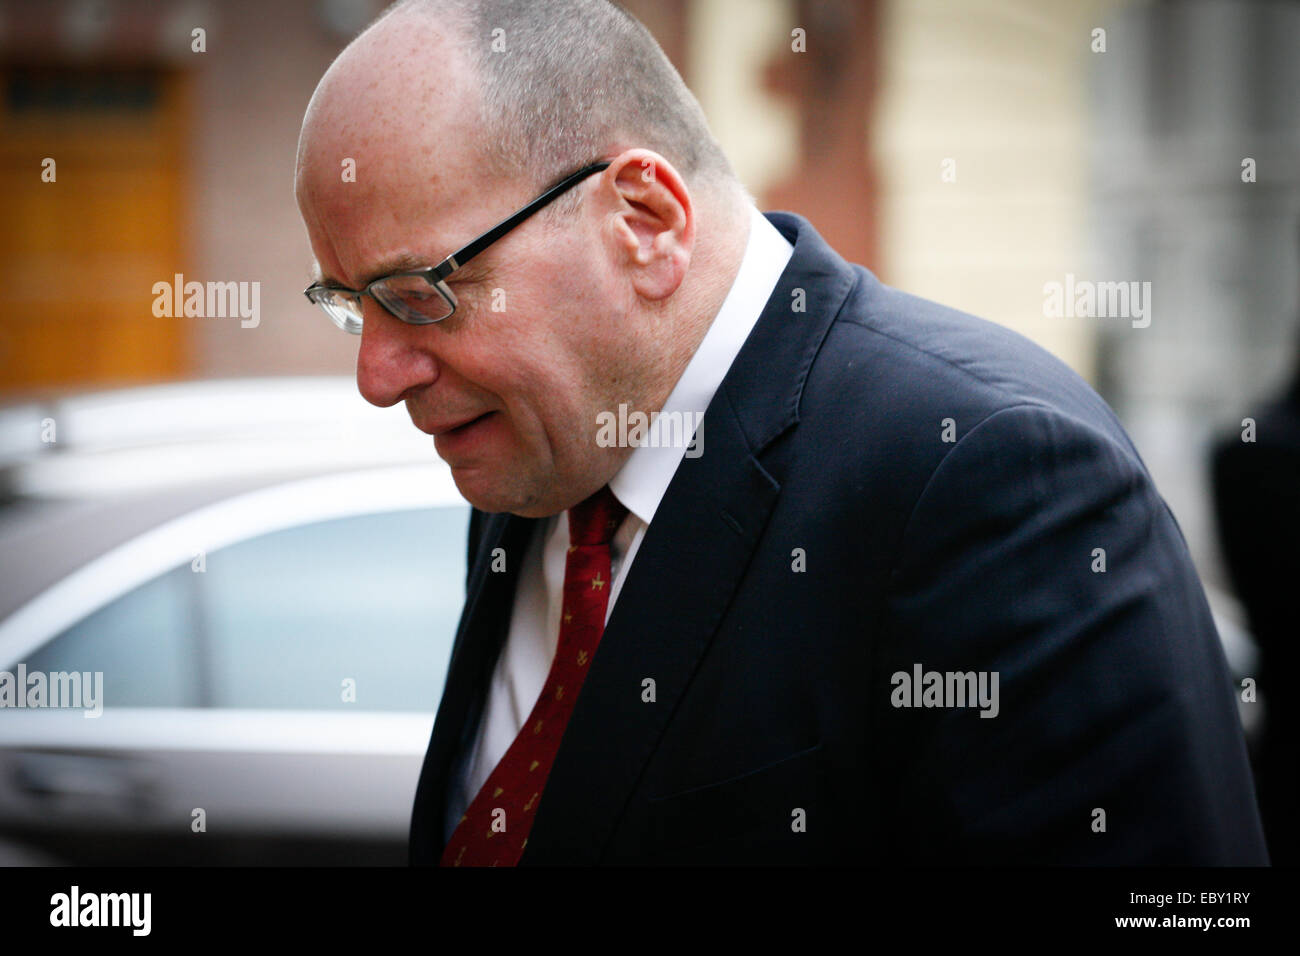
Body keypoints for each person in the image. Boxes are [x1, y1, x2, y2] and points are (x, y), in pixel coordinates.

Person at [294, 0, 1268, 865]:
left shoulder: (991, 474)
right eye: (351, 304)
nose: (377, 376)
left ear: (644, 219)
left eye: (418, 294)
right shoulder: (542, 455)